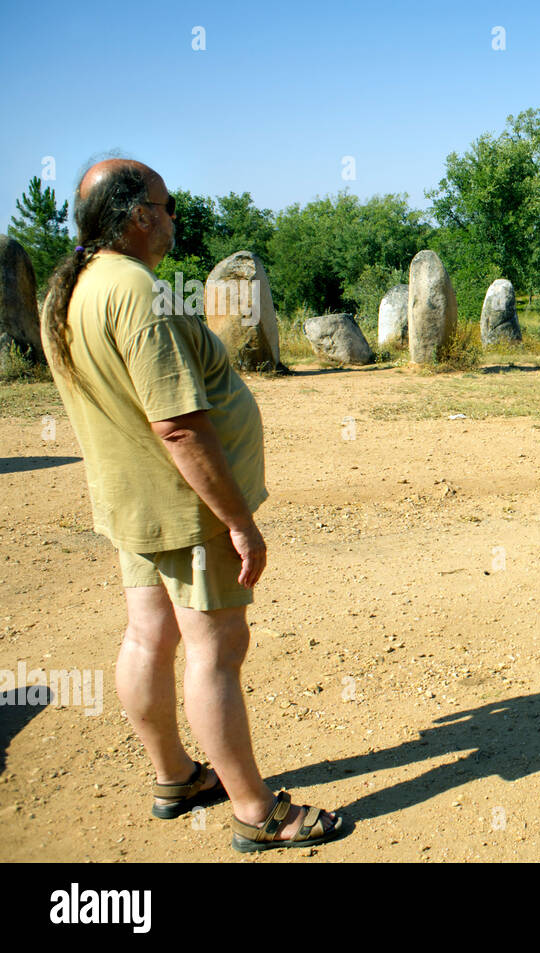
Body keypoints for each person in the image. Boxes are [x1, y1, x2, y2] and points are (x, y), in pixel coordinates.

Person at [40, 158, 345, 852]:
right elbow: (177, 423)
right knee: (217, 652)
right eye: (167, 205)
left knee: (148, 636)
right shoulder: (137, 293)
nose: (175, 216)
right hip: (187, 509)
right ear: (138, 216)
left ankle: (175, 775)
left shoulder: (79, 287)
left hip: (135, 503)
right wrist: (239, 520)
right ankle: (256, 810)